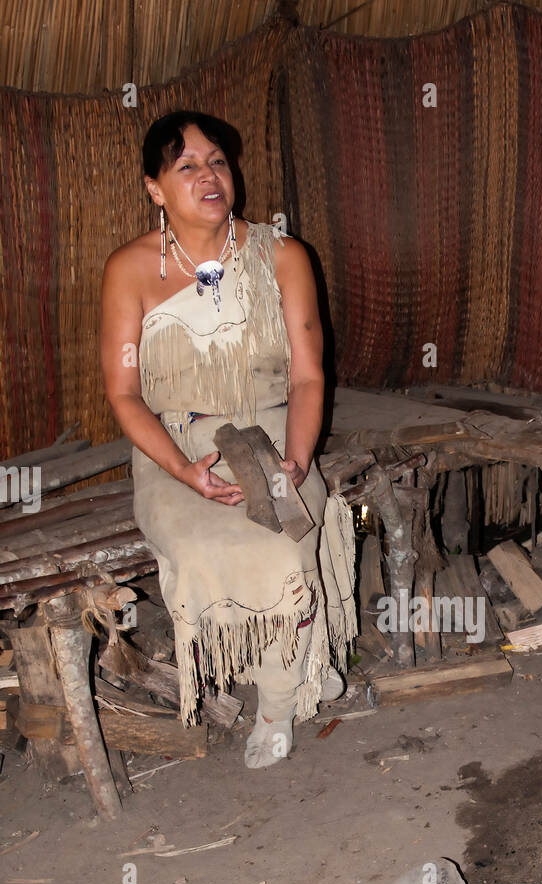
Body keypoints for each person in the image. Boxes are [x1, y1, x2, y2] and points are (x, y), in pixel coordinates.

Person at [100, 111, 356, 768]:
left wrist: (298, 457)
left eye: (217, 161)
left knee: (283, 547)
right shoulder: (129, 270)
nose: (209, 176)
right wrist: (183, 469)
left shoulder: (283, 255)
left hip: (271, 434)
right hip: (176, 448)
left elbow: (307, 376)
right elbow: (125, 395)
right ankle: (276, 659)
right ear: (155, 188)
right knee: (207, 541)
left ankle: (276, 702)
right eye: (186, 166)